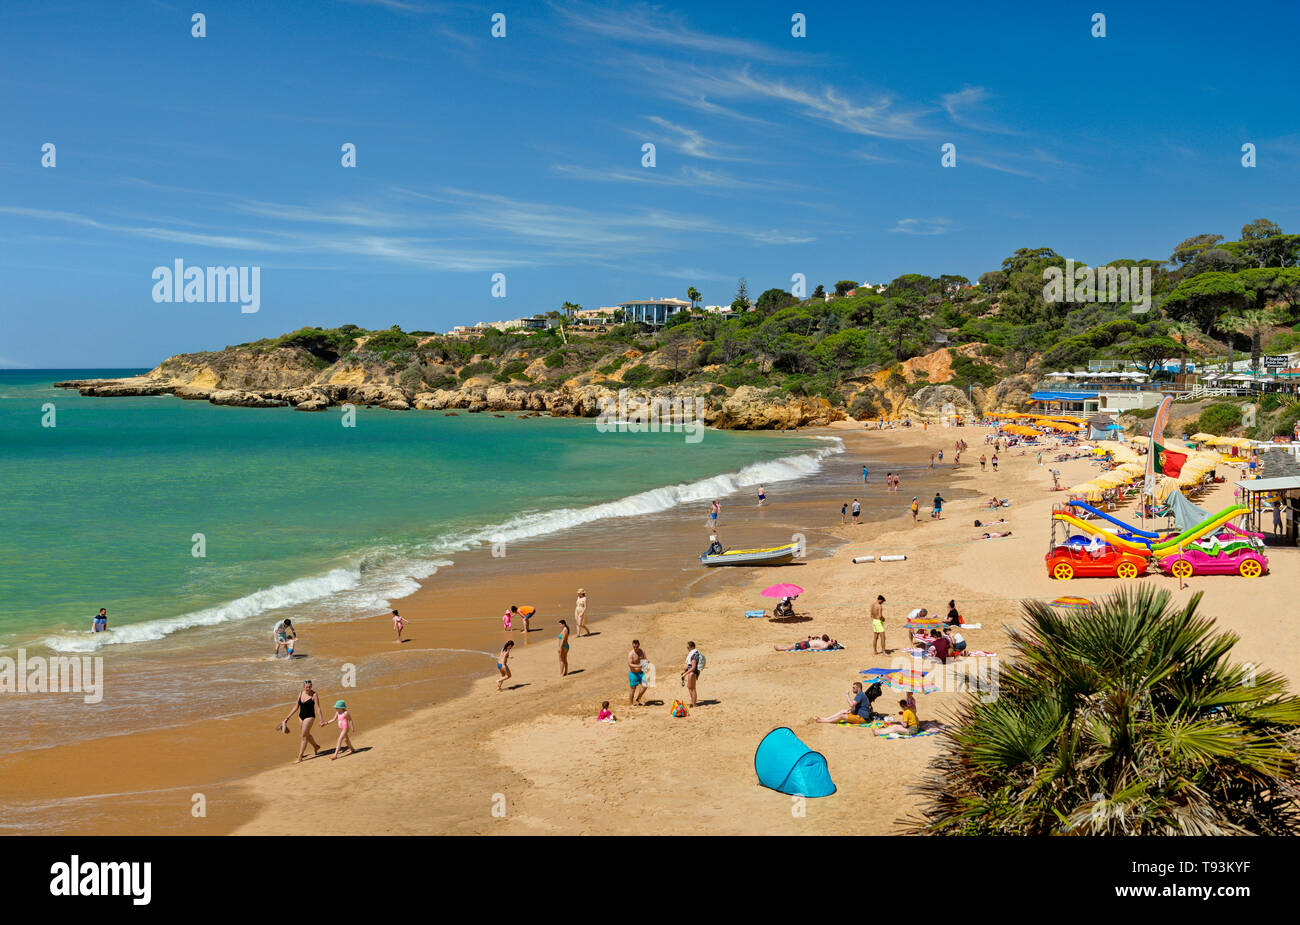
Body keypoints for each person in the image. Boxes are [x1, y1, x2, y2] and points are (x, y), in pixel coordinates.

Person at [281, 680, 323, 763]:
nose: (308, 688)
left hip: (310, 717)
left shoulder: (314, 694)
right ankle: (316, 746)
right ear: (304, 687)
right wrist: (287, 717)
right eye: (307, 687)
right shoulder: (300, 693)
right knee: (306, 735)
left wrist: (321, 720)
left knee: (303, 736)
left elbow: (318, 708)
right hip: (301, 717)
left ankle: (300, 757)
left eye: (310, 687)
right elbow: (296, 707)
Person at [681, 641, 702, 708]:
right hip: (691, 672)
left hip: (692, 673)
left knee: (692, 688)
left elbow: (693, 667)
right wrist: (684, 672)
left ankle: (694, 704)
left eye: (688, 647)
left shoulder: (694, 655)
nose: (687, 649)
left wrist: (685, 674)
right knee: (690, 687)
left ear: (692, 647)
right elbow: (689, 665)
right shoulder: (693, 653)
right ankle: (693, 702)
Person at [628, 640, 648, 706]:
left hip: (640, 672)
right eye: (634, 647)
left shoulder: (642, 652)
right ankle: (631, 704)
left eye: (636, 646)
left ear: (639, 645)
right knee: (633, 689)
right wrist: (639, 665)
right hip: (633, 673)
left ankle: (638, 699)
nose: (635, 648)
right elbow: (630, 664)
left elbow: (645, 660)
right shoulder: (631, 654)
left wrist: (647, 664)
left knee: (645, 686)